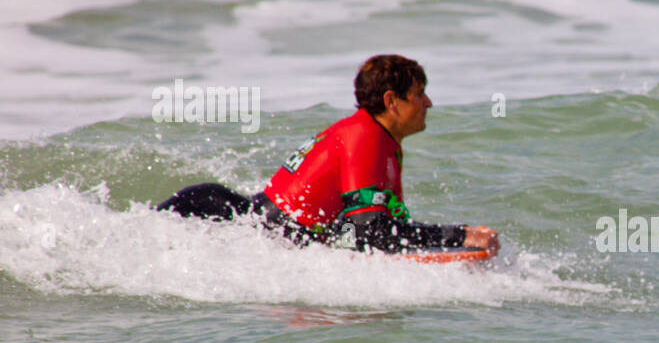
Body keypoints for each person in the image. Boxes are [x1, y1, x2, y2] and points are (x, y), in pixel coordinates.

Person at [156, 55, 499, 257]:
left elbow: (383, 226)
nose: (428, 103)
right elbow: (370, 232)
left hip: (251, 223)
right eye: (419, 94)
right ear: (392, 101)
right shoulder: (365, 138)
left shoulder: (385, 143)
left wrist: (451, 243)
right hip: (213, 217)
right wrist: (458, 236)